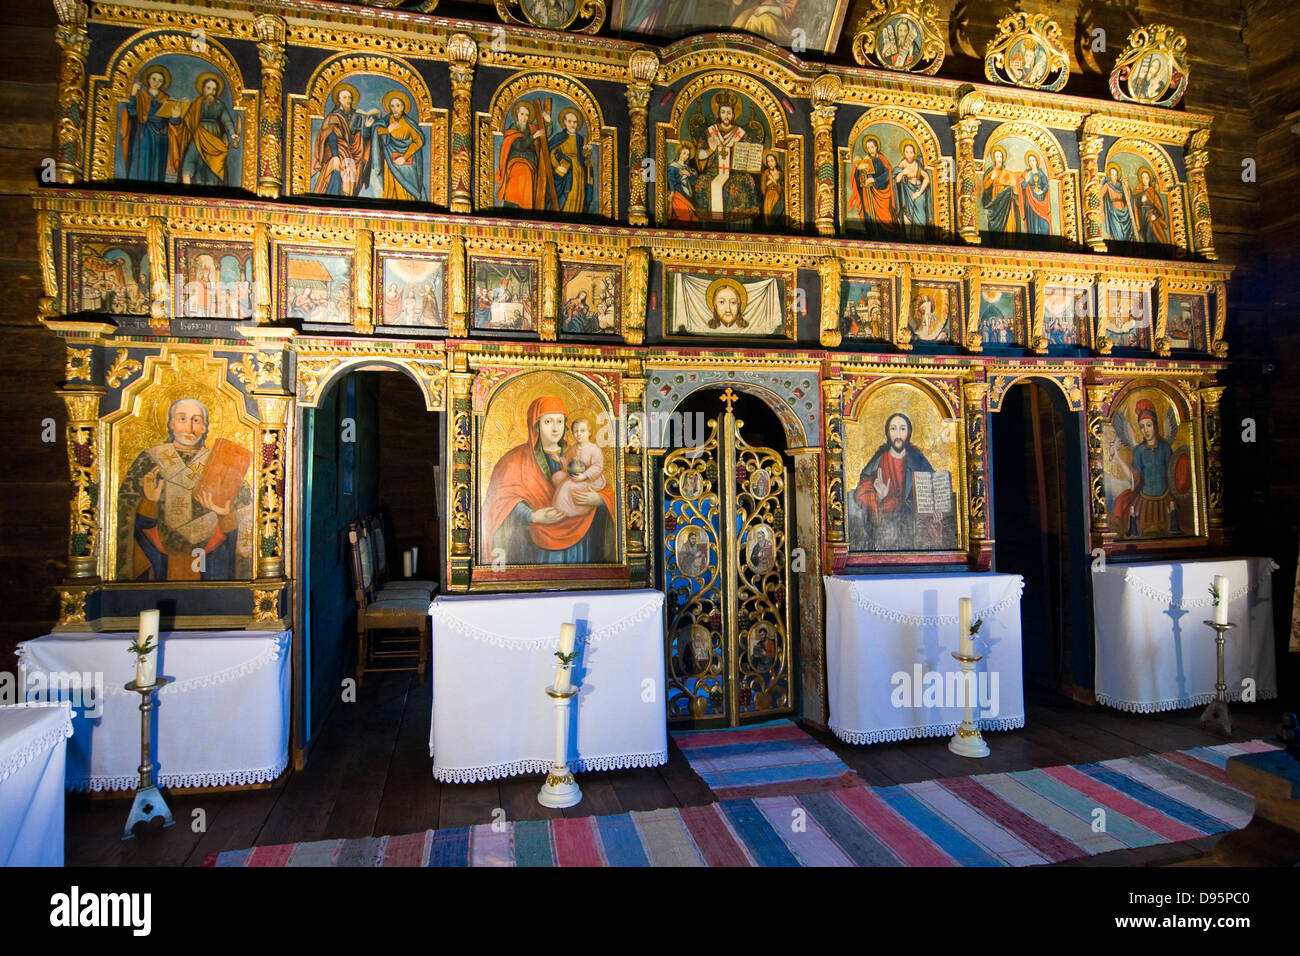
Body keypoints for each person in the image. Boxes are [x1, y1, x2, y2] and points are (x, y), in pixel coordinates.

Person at [117, 398, 251, 580]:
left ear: (204, 427)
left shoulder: (222, 462)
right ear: (171, 423)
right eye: (182, 419)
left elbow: (246, 514)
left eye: (196, 420)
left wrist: (224, 514)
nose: (189, 428)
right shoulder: (150, 459)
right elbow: (123, 513)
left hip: (212, 552)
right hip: (159, 553)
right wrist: (149, 502)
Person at [481, 396, 615, 564]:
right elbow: (500, 501)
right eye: (548, 422)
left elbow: (606, 489)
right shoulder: (514, 460)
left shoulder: (576, 453)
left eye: (559, 421)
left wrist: (599, 499)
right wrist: (532, 515)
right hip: (536, 542)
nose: (555, 428)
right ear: (536, 425)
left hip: (583, 536)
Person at [852, 412, 937, 551]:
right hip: (886, 525)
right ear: (887, 432)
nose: (898, 434)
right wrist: (878, 496)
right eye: (893, 429)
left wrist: (936, 508)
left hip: (914, 524)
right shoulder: (879, 461)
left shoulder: (918, 460)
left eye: (902, 429)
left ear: (909, 432)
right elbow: (861, 492)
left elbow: (934, 486)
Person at [1110, 399, 1179, 536]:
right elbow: (1135, 478)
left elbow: (1173, 473)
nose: (1146, 430)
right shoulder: (1139, 451)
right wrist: (1116, 457)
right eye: (1142, 426)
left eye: (1149, 425)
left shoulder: (1165, 448)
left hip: (1165, 498)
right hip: (1145, 500)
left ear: (1155, 425)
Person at [694, 91, 757, 223]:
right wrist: (710, 150)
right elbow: (699, 156)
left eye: (729, 113)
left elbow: (751, 155)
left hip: (734, 171)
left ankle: (739, 222)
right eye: (723, 112)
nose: (726, 116)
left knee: (746, 180)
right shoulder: (710, 132)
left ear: (734, 115)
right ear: (718, 114)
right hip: (713, 170)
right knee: (702, 181)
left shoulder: (741, 134)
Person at [120, 67, 183, 183]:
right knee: (142, 164)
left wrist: (176, 117)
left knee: (159, 165)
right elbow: (131, 112)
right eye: (154, 79)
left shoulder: (167, 99)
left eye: (160, 80)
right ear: (148, 79)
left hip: (162, 136)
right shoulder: (141, 96)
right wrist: (133, 94)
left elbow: (174, 123)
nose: (156, 82)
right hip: (144, 135)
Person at [312, 84, 376, 196]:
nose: (349, 100)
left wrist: (366, 127)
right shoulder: (334, 116)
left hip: (349, 151)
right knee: (338, 169)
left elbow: (357, 138)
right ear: (339, 100)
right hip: (335, 150)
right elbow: (331, 134)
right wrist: (335, 156)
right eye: (345, 97)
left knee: (350, 164)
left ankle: (347, 198)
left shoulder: (355, 116)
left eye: (350, 98)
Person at [496, 99, 557, 210]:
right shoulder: (512, 130)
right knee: (521, 171)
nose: (524, 117)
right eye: (522, 114)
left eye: (527, 115)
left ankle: (525, 207)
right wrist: (533, 136)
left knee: (528, 173)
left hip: (530, 161)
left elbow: (545, 134)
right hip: (515, 160)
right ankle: (514, 204)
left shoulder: (532, 128)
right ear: (517, 115)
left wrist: (548, 122)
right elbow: (519, 146)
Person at [178, 74, 237, 186]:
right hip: (199, 134)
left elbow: (226, 120)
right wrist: (182, 108)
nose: (211, 92)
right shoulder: (197, 103)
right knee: (191, 160)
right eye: (209, 88)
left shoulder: (220, 105)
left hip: (215, 138)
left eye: (214, 89)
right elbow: (188, 119)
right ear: (203, 89)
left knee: (214, 165)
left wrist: (232, 133)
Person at [373, 90, 426, 202]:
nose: (395, 109)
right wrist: (387, 130)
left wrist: (405, 157)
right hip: (389, 158)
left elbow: (418, 141)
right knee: (390, 187)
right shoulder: (387, 120)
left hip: (405, 160)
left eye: (398, 105)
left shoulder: (408, 123)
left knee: (406, 189)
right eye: (392, 106)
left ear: (403, 107)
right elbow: (376, 131)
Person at [552, 418, 606, 518]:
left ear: (589, 433)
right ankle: (568, 501)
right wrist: (560, 460)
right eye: (576, 431)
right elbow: (568, 463)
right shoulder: (573, 448)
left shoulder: (594, 449)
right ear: (573, 433)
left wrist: (584, 475)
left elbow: (598, 466)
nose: (579, 434)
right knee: (557, 477)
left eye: (582, 431)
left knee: (567, 485)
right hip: (575, 475)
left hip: (591, 479)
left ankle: (566, 509)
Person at [548, 108, 592, 213]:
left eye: (575, 122)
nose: (572, 124)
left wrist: (586, 152)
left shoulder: (581, 139)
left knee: (579, 196)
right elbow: (551, 152)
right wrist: (557, 166)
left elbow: (584, 157)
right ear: (564, 122)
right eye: (569, 121)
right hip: (566, 170)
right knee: (566, 194)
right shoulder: (560, 137)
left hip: (579, 171)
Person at [849, 136, 894, 237]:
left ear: (877, 147)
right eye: (868, 148)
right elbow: (858, 176)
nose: (870, 150)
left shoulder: (881, 159)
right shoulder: (866, 159)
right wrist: (857, 167)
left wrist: (874, 180)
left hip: (881, 193)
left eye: (872, 147)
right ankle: (872, 234)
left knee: (885, 216)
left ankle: (885, 236)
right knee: (868, 212)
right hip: (868, 192)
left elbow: (888, 174)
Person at [891, 141, 931, 240]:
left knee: (921, 217)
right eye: (907, 152)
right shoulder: (902, 164)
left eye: (911, 152)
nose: (909, 154)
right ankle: (908, 240)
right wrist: (902, 173)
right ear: (904, 153)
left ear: (914, 153)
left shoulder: (917, 164)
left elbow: (926, 178)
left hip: (918, 191)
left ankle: (921, 239)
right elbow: (896, 180)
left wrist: (919, 192)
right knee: (907, 216)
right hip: (907, 193)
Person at [981, 147, 1023, 233]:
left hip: (1007, 199)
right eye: (997, 157)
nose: (999, 159)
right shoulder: (991, 171)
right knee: (998, 219)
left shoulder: (1007, 172)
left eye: (1000, 156)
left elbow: (1013, 181)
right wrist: (992, 178)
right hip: (996, 196)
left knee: (1009, 218)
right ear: (994, 158)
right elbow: (985, 186)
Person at [1131, 168, 1170, 245]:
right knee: (1144, 235)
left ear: (1149, 179)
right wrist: (1141, 201)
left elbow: (1159, 208)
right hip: (1142, 217)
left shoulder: (1153, 193)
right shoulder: (1138, 191)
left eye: (1146, 178)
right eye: (1143, 178)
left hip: (1150, 217)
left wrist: (1155, 215)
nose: (1144, 180)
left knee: (1150, 234)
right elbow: (1136, 204)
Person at [1019, 152, 1052, 235]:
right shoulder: (1027, 174)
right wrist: (1026, 180)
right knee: (1032, 221)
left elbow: (1046, 186)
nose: (1032, 162)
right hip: (1030, 201)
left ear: (1036, 161)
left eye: (1033, 160)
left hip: (1040, 199)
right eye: (1030, 161)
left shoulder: (1041, 174)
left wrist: (1042, 191)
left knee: (1042, 222)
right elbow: (1022, 187)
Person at [666, 142, 699, 224]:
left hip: (688, 194)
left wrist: (688, 174)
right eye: (684, 153)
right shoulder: (673, 166)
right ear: (679, 153)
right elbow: (671, 180)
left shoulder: (687, 168)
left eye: (687, 154)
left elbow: (694, 181)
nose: (685, 156)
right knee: (685, 215)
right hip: (677, 193)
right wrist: (673, 192)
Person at [1101, 164, 1135, 241]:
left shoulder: (1121, 185)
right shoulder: (1107, 185)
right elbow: (1100, 195)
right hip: (1114, 212)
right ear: (1109, 175)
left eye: (1116, 174)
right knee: (1118, 233)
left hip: (1124, 212)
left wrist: (1126, 186)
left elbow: (1128, 197)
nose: (1114, 176)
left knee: (1126, 234)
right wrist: (1101, 210)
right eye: (1112, 174)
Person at [761, 151, 783, 226]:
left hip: (776, 195)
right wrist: (771, 180)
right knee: (768, 214)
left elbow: (781, 188)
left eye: (772, 160)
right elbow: (764, 185)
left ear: (776, 161)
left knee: (775, 214)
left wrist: (773, 180)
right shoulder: (766, 173)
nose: (770, 163)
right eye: (768, 161)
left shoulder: (780, 174)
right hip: (768, 195)